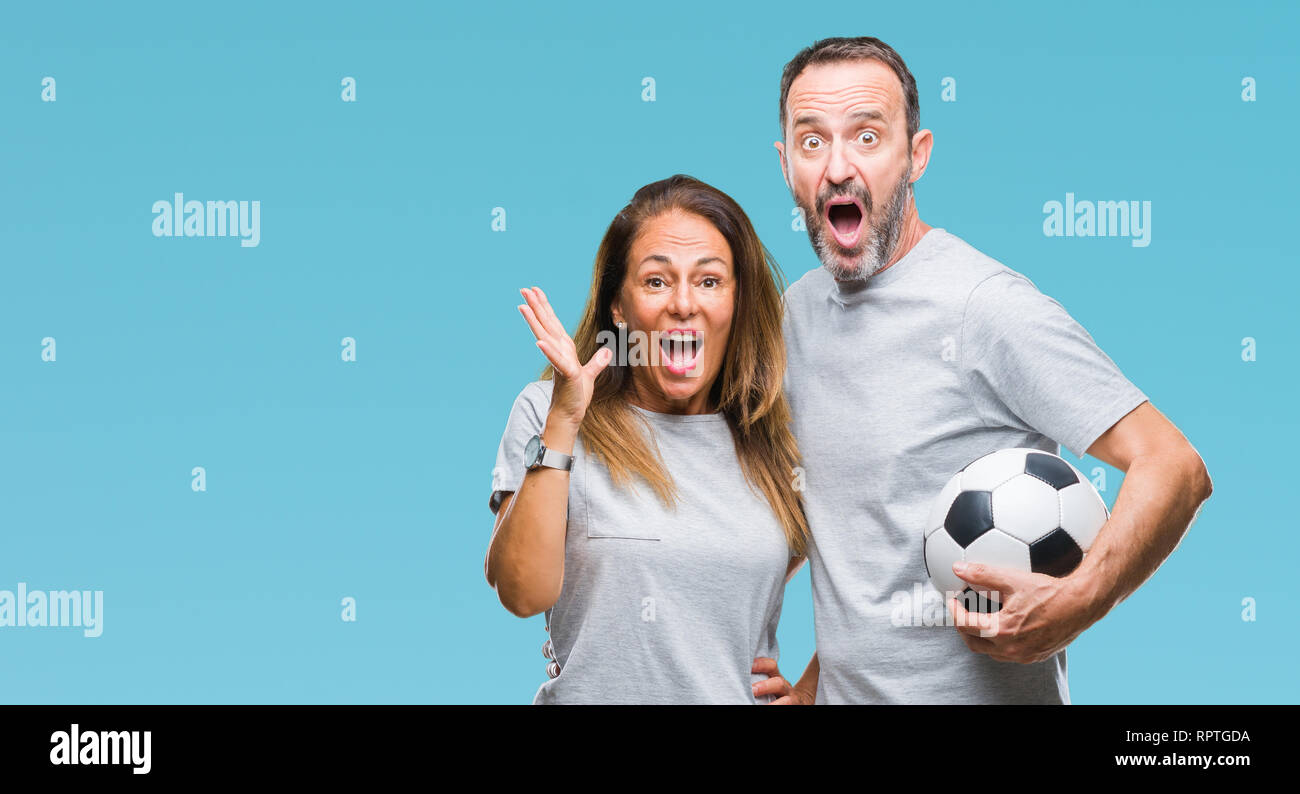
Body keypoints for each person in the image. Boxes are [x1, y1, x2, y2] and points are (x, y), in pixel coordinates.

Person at [761, 37, 1213, 704]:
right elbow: (869, 553)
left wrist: (1078, 602)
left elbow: (1173, 465)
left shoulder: (985, 308)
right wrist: (811, 687)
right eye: (812, 142)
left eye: (866, 136)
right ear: (785, 164)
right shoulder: (795, 315)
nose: (837, 167)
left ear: (916, 155)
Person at [485, 174, 809, 704]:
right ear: (619, 306)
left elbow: (874, 571)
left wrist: (814, 690)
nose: (683, 304)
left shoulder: (775, 437)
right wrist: (565, 421)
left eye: (709, 281)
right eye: (657, 281)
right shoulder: (550, 413)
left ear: (738, 300)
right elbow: (521, 591)